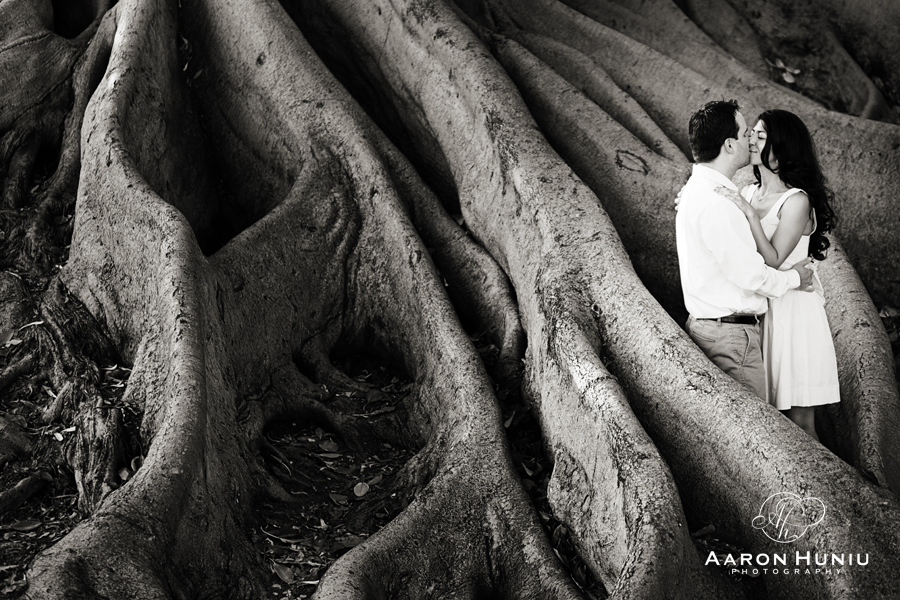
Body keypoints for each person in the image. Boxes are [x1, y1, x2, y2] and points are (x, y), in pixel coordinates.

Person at [675, 99, 815, 401]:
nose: (750, 138)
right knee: (758, 437)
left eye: (757, 134)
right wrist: (794, 279)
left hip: (731, 330)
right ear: (728, 145)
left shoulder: (702, 191)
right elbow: (750, 275)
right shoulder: (717, 202)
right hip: (730, 338)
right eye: (745, 133)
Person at [714, 109, 840, 440]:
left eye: (761, 135)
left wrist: (750, 218)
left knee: (799, 419)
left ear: (782, 146)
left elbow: (772, 260)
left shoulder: (796, 201)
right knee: (769, 420)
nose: (752, 140)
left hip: (795, 316)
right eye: (751, 134)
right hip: (760, 312)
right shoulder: (748, 193)